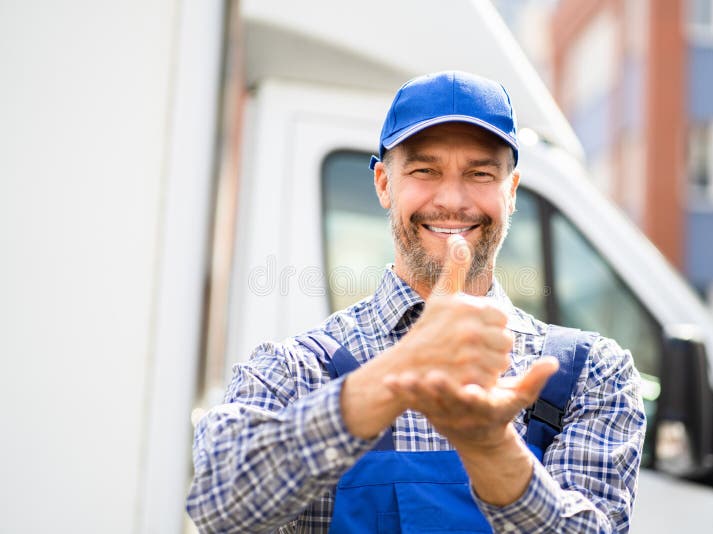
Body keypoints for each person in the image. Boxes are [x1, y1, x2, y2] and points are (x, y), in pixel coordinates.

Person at [186, 70, 646, 533]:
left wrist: (491, 448)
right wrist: (392, 377)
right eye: (425, 170)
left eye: (480, 173)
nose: (451, 199)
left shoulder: (588, 375)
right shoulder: (298, 370)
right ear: (385, 184)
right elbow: (216, 504)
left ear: (511, 191)